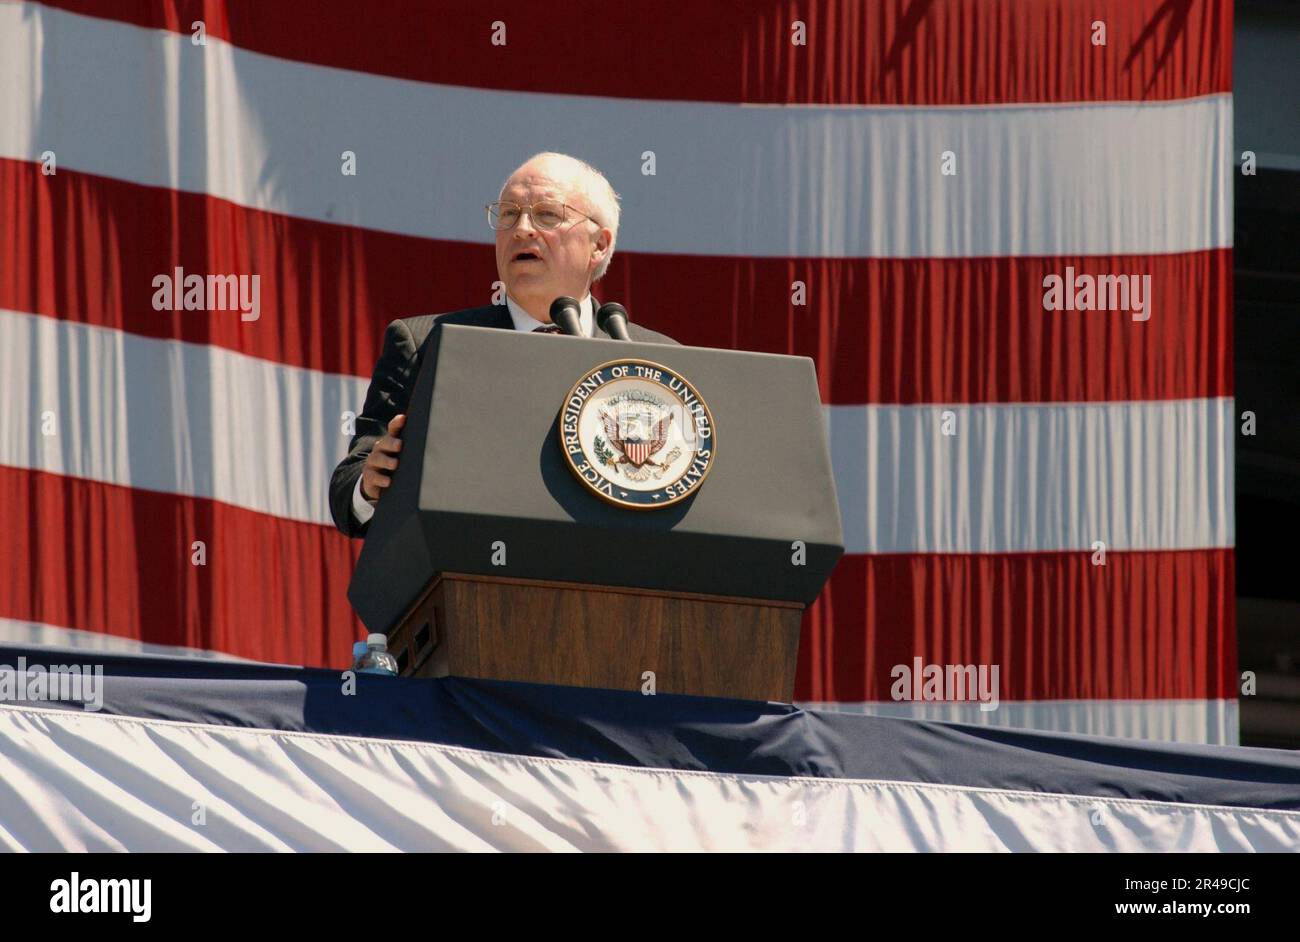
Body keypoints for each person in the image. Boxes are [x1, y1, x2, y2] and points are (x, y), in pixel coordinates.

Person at [329, 152, 678, 537]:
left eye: (547, 215)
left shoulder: (658, 358)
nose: (522, 229)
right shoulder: (426, 342)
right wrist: (370, 484)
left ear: (599, 244)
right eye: (508, 214)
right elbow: (349, 489)